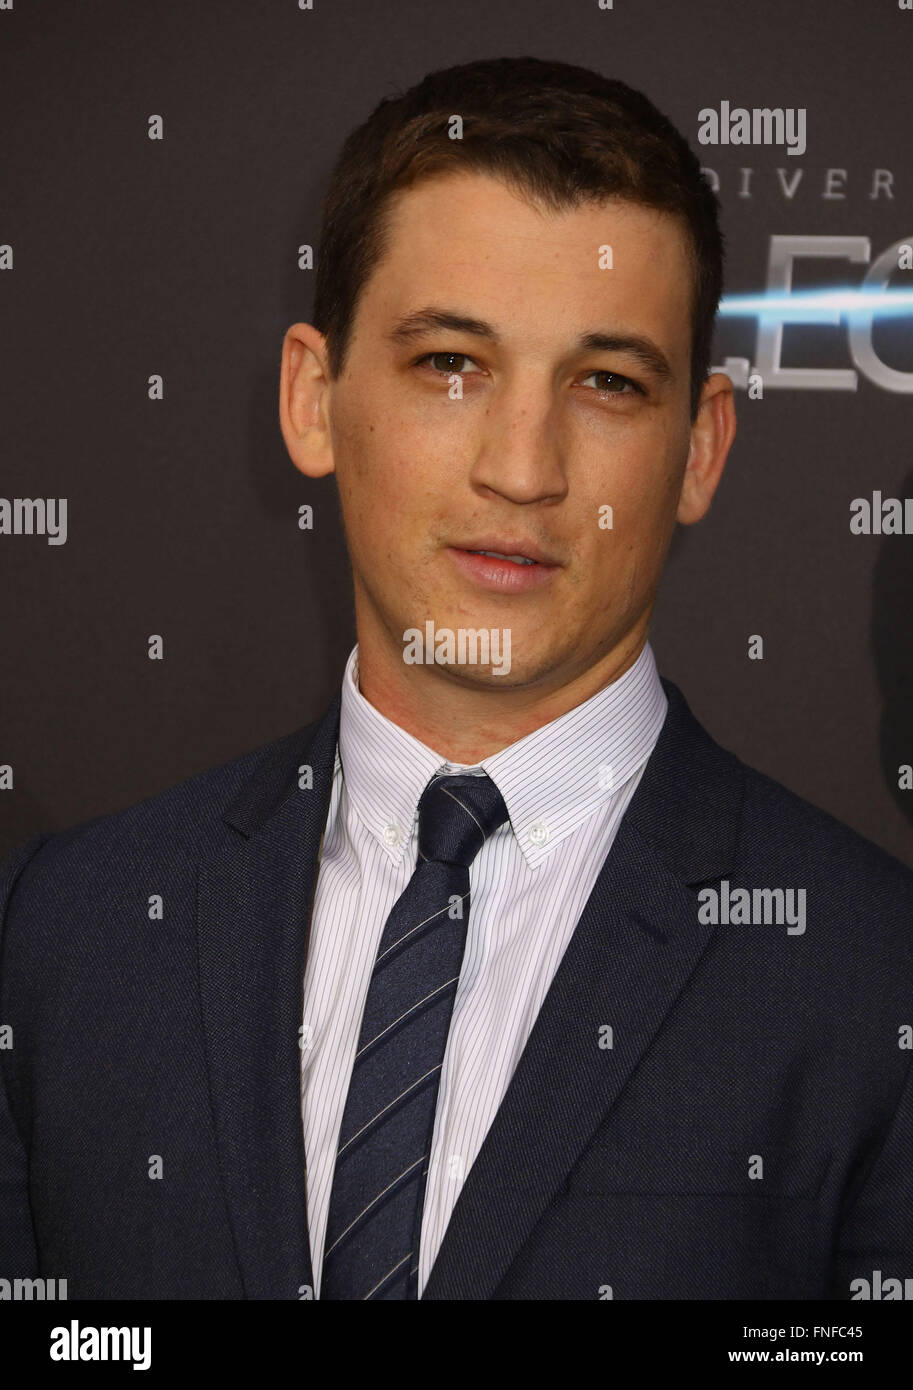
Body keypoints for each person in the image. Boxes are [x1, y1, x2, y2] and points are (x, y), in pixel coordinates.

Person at [2, 56, 912, 1302]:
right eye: (449, 364)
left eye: (604, 383)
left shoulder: (873, 976)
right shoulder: (62, 933)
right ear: (312, 400)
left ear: (698, 450)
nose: (523, 468)